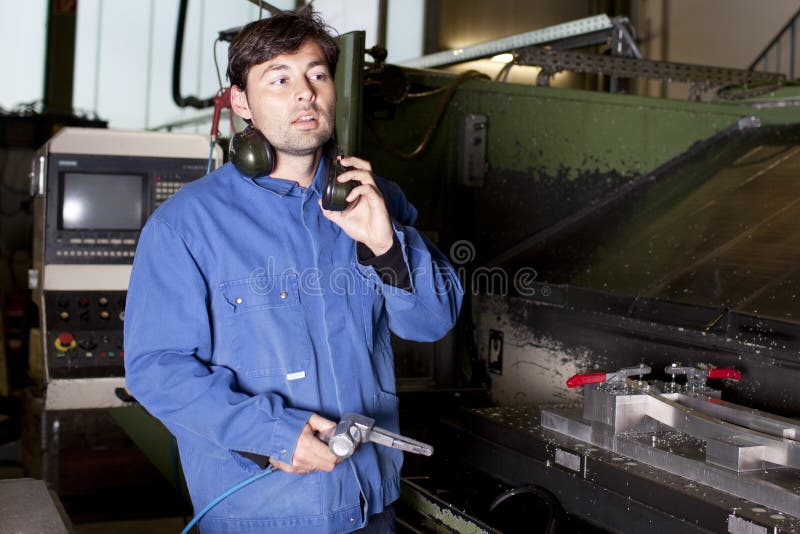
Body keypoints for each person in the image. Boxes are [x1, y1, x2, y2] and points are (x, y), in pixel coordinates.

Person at [123, 10, 463, 534]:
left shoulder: (377, 200)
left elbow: (432, 322)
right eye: (279, 79)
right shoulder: (186, 225)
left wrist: (385, 244)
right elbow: (157, 368)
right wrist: (272, 434)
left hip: (371, 505)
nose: (305, 92)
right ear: (241, 102)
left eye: (317, 74)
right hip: (261, 513)